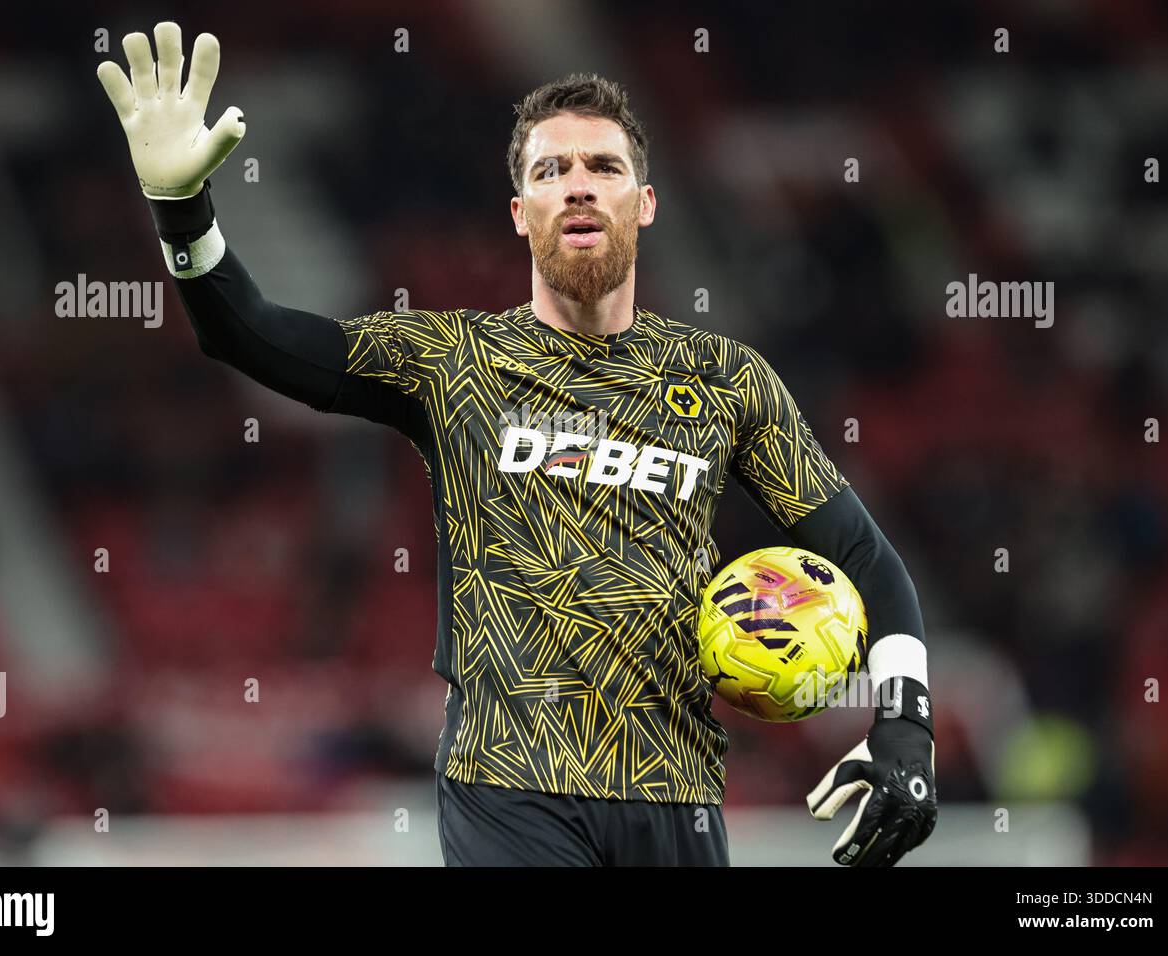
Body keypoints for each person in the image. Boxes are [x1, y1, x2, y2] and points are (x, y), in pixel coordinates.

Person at [96, 21, 937, 866]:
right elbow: (249, 333)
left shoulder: (724, 379)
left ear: (644, 203)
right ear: (519, 210)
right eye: (551, 171)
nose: (578, 188)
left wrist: (905, 723)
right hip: (508, 788)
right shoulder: (454, 361)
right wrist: (182, 209)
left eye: (604, 168)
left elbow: (864, 555)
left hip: (674, 789)